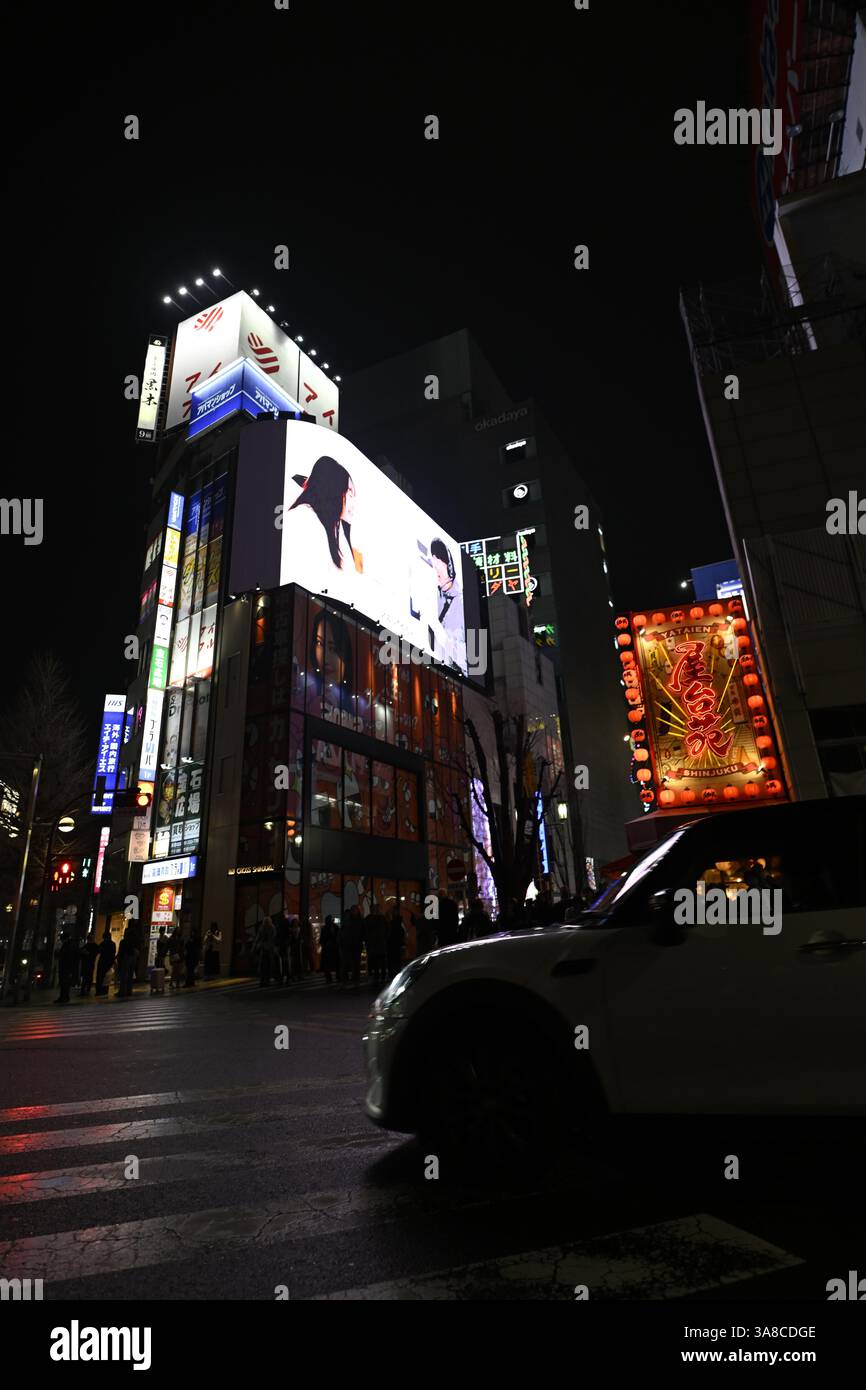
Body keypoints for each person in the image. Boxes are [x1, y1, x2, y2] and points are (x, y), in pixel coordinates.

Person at [281, 456, 361, 598]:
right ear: (333, 488)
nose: (353, 503)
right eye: (349, 492)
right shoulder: (304, 518)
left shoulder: (336, 528)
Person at [339, 905, 363, 988]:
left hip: (353, 944)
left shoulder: (351, 921)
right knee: (351, 963)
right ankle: (352, 979)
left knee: (353, 963)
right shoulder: (357, 920)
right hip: (351, 944)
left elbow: (343, 932)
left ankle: (352, 979)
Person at [364, 908, 388, 986]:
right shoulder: (382, 919)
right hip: (379, 944)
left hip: (375, 944)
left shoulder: (370, 919)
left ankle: (377, 976)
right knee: (379, 962)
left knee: (376, 962)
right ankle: (380, 976)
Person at [55, 930, 79, 1004]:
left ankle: (64, 997)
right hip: (66, 967)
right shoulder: (70, 945)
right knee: (64, 983)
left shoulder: (68, 946)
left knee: (64, 983)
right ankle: (64, 997)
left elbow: (69, 957)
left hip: (66, 967)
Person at [115, 926, 138, 999]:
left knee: (124, 975)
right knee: (130, 975)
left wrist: (117, 958)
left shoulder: (123, 941)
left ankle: (122, 991)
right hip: (133, 958)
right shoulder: (134, 941)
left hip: (126, 958)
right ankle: (129, 991)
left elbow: (121, 952)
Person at [255, 915, 276, 987]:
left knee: (265, 966)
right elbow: (273, 939)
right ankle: (265, 980)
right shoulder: (271, 928)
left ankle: (264, 980)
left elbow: (258, 938)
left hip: (265, 949)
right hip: (267, 949)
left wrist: (257, 945)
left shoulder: (263, 928)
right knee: (266, 965)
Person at [318, 914, 340, 985]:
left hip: (331, 947)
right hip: (330, 947)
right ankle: (332, 977)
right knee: (333, 963)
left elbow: (322, 938)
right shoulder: (333, 927)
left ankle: (331, 977)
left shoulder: (328, 928)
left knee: (331, 963)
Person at [94, 929, 117, 996]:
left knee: (100, 977)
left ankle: (99, 991)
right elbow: (113, 953)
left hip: (102, 962)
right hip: (108, 962)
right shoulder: (112, 944)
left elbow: (99, 951)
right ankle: (104, 991)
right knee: (106, 978)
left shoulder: (102, 943)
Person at [386, 909, 406, 979]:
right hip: (397, 944)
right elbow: (403, 933)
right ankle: (396, 974)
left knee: (392, 961)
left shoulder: (391, 923)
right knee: (397, 961)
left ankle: (392, 975)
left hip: (392, 944)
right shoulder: (400, 923)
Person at [78, 931, 99, 996]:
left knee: (86, 976)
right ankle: (87, 989)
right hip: (90, 962)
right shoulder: (94, 946)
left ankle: (84, 990)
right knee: (88, 976)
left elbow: (81, 953)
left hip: (87, 962)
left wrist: (86, 953)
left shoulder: (87, 946)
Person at [274, 910, 291, 985]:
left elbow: (276, 936)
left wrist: (276, 945)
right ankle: (287, 977)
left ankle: (280, 977)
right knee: (286, 961)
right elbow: (288, 933)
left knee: (279, 962)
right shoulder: (286, 923)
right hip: (285, 945)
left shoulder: (278, 925)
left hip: (280, 945)